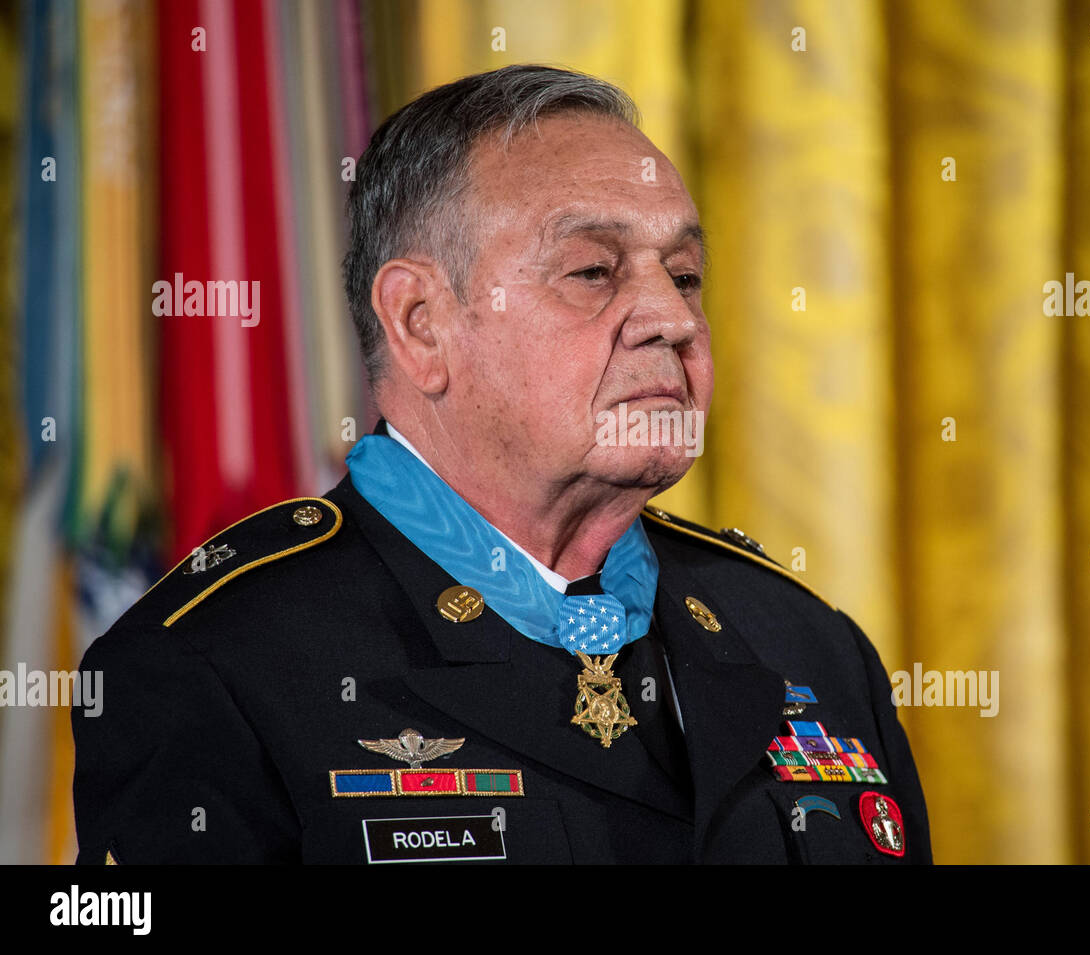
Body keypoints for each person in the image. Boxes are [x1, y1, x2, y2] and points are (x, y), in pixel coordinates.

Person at [72, 64, 931, 864]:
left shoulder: (806, 641)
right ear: (420, 324)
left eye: (684, 275)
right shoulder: (212, 665)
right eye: (592, 271)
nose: (672, 319)